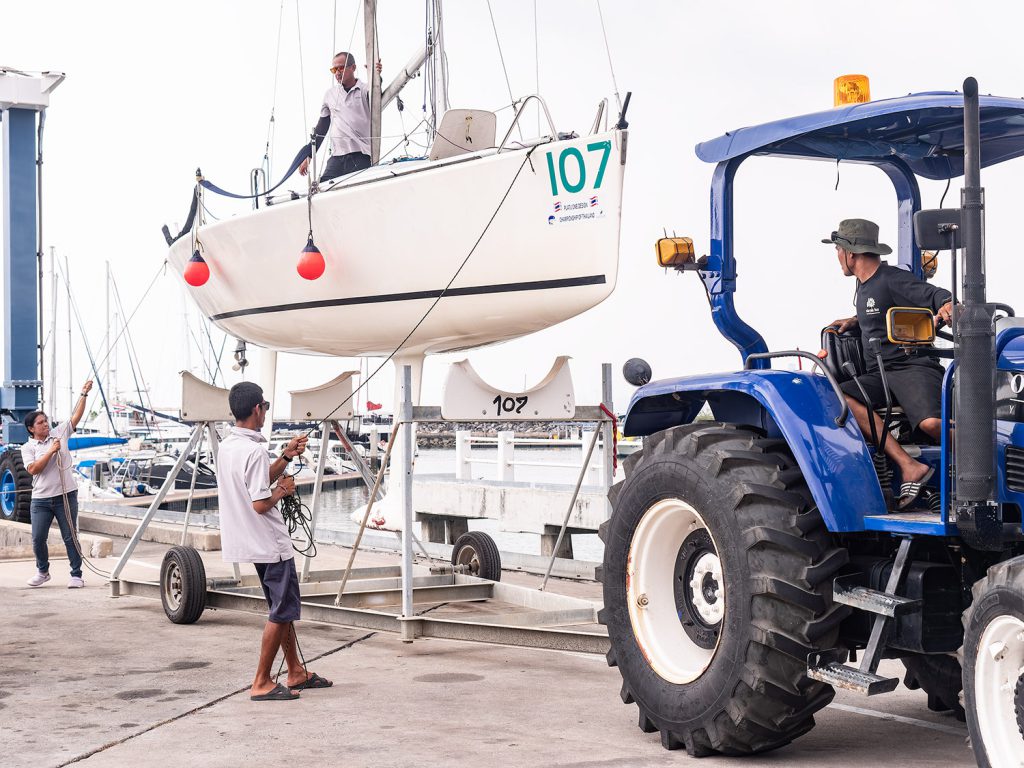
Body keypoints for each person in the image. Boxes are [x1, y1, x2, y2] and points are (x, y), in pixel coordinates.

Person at [822, 219, 954, 509]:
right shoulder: (863, 287)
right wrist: (854, 321)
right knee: (836, 396)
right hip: (881, 375)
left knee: (932, 423)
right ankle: (909, 465)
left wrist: (946, 305)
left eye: (837, 251)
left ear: (850, 253)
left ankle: (981, 466)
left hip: (911, 367)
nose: (837, 258)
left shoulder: (891, 278)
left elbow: (934, 295)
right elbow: (880, 313)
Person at [218, 381, 332, 701]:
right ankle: (261, 681)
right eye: (265, 406)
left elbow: (254, 482)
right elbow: (259, 503)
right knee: (282, 611)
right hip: (270, 544)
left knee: (279, 608)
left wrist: (284, 456)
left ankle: (294, 671)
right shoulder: (253, 450)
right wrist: (283, 490)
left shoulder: (229, 446)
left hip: (250, 543)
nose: (265, 411)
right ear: (258, 409)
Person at [23, 379, 94, 588]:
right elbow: (34, 469)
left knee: (70, 536)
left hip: (65, 495)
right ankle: (43, 571)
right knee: (37, 539)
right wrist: (50, 451)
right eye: (40, 423)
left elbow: (76, 417)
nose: (45, 424)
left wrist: (83, 393)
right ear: (31, 429)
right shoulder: (27, 448)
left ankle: (76, 574)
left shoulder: (60, 433)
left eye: (46, 421)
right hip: (41, 499)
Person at [298, 52, 382, 183]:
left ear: (353, 68)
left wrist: (376, 76)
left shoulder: (366, 89)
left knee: (358, 192)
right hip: (337, 157)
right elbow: (321, 129)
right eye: (334, 69)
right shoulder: (330, 94)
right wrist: (309, 155)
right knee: (322, 191)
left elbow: (377, 92)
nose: (337, 72)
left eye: (341, 68)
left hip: (360, 155)